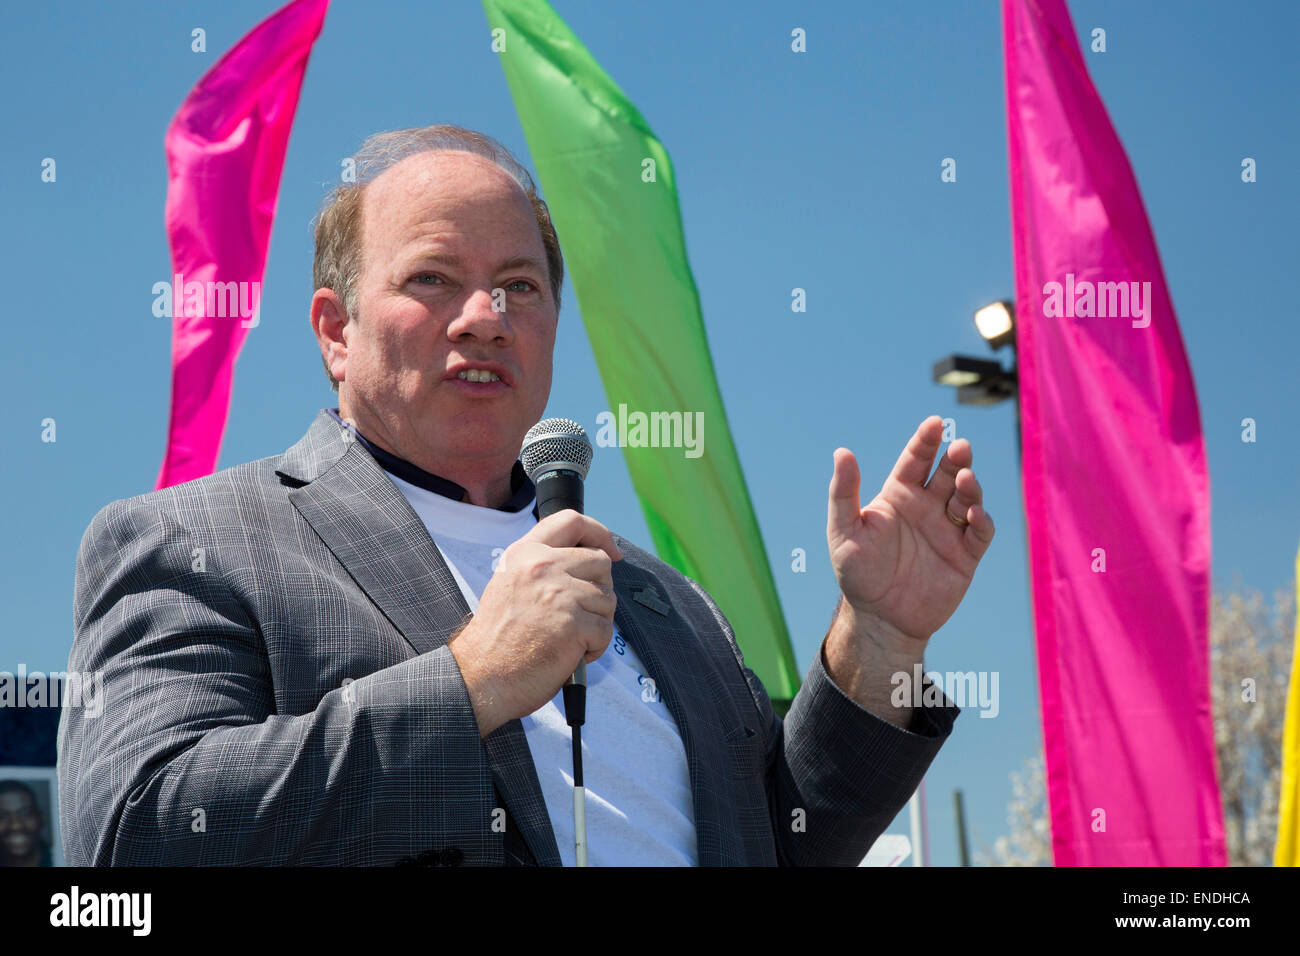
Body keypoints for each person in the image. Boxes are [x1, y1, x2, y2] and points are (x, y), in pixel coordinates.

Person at [58, 125, 995, 866]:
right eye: (433, 279)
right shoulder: (194, 541)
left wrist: (881, 641)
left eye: (519, 286)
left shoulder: (666, 604)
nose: (485, 320)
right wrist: (471, 683)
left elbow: (783, 841)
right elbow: (136, 835)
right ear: (335, 331)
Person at [0, 780, 54, 867]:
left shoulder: (67, 859)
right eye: (2, 817)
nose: (16, 826)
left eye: (26, 814)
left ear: (41, 818)